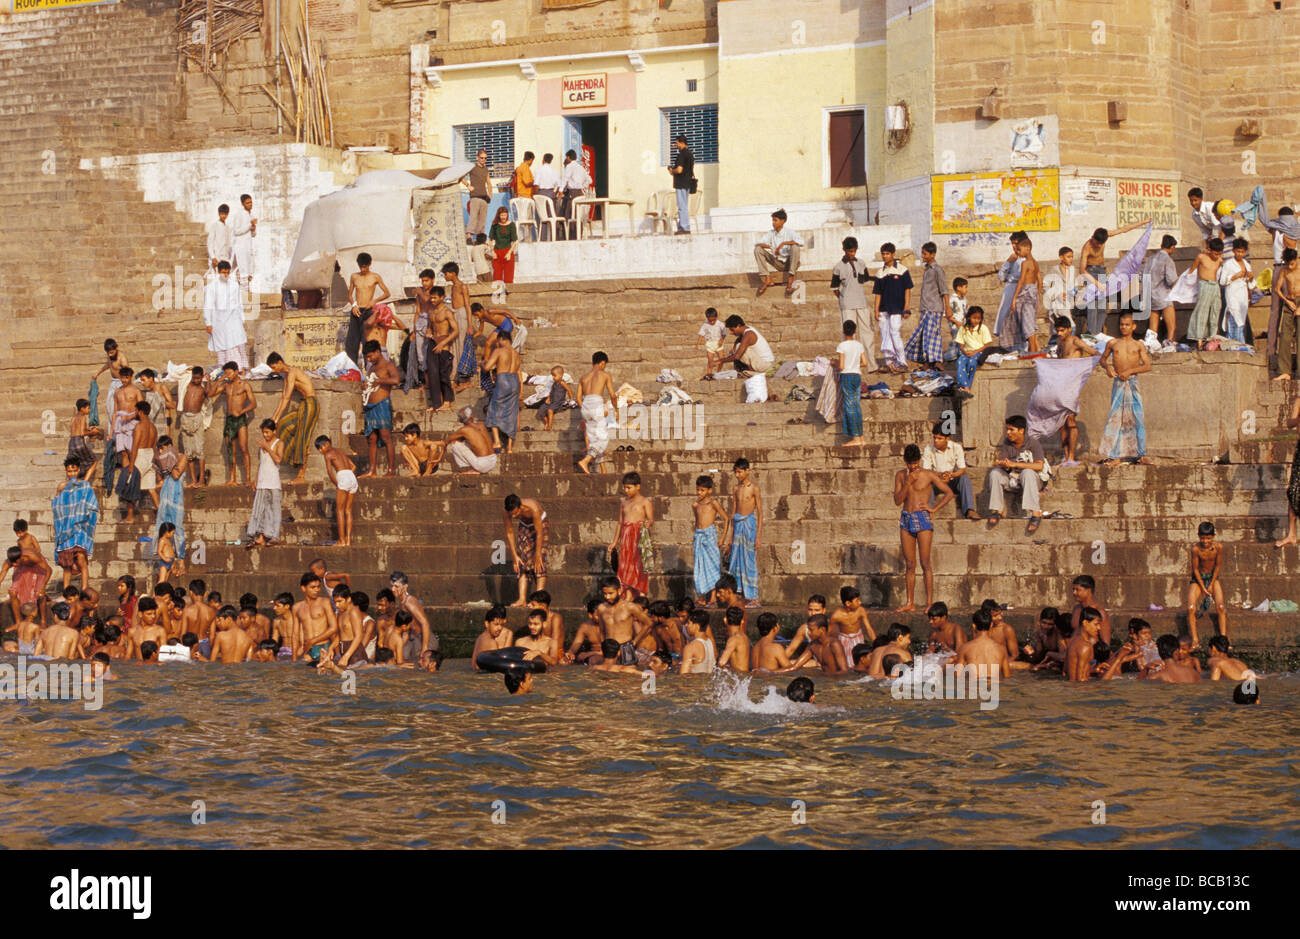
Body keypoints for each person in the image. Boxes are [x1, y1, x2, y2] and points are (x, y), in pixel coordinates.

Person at [894, 443, 952, 611]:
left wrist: (933, 508)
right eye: (909, 463)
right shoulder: (900, 475)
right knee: (910, 564)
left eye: (915, 463)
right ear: (905, 461)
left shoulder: (928, 475)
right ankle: (910, 603)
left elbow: (948, 493)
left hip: (922, 518)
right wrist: (907, 482)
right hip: (906, 518)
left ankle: (929, 603)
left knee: (925, 562)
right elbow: (898, 501)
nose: (912, 467)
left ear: (919, 460)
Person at [1096, 312, 1152, 466]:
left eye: (1127, 325)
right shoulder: (1113, 343)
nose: (1124, 327)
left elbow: (1147, 366)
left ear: (1133, 326)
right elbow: (1102, 360)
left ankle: (1140, 455)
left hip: (1133, 382)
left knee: (1137, 418)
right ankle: (1114, 456)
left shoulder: (1138, 345)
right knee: (1116, 418)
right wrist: (1108, 368)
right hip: (1118, 384)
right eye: (1121, 324)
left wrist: (1130, 371)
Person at [1077, 218, 1148, 335]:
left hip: (1101, 271)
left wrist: (1143, 222)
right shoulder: (1087, 247)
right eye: (1097, 243)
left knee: (1102, 306)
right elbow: (1082, 270)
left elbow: (1124, 229)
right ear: (1093, 238)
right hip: (1090, 273)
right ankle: (1091, 333)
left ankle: (1098, 333)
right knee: (1092, 305)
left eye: (1101, 244)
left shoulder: (1106, 234)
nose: (1099, 246)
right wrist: (1096, 283)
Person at [986, 415, 1046, 533]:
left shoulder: (1033, 443)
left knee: (1027, 472)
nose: (1008, 433)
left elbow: (1039, 465)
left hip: (1032, 481)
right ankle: (997, 511)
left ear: (1021, 430)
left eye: (1011, 430)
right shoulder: (1007, 443)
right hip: (1013, 479)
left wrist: (1015, 465)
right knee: (995, 473)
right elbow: (1005, 464)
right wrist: (1004, 464)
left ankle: (1035, 513)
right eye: (1007, 429)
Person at [266, 352, 317, 484]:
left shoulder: (293, 372)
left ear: (279, 362)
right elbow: (283, 398)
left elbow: (288, 398)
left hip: (311, 404)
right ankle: (301, 450)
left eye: (274, 367)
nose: (274, 370)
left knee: (302, 438)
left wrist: (275, 420)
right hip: (303, 405)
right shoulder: (286, 376)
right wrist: (274, 420)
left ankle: (301, 476)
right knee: (283, 425)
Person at [831, 236, 878, 371]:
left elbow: (865, 278)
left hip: (861, 302)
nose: (852, 254)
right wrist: (842, 299)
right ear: (844, 250)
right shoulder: (838, 267)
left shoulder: (861, 263)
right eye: (849, 251)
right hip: (847, 304)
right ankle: (851, 363)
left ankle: (871, 364)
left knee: (867, 332)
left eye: (854, 251)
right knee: (849, 334)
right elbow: (834, 287)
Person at [1264, 207, 1300, 380]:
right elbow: (1292, 245)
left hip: (1282, 271)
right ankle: (1278, 362)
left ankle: (1294, 369)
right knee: (1282, 325)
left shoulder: (1275, 230)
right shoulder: (1286, 234)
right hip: (1283, 273)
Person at [207, 360, 256, 487]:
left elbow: (253, 403)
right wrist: (219, 380)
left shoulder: (244, 385)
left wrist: (242, 411)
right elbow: (210, 394)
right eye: (226, 373)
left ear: (236, 371)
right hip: (229, 419)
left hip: (240, 420)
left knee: (244, 448)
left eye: (229, 373)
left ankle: (248, 479)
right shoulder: (226, 385)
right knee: (230, 450)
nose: (228, 375)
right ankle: (232, 479)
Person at [721, 457, 761, 606]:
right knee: (736, 561)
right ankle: (741, 595)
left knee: (749, 561)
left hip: (749, 526)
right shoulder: (735, 489)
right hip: (737, 525)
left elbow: (761, 514)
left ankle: (754, 596)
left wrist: (758, 536)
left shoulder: (754, 488)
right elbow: (733, 513)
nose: (737, 475)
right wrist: (730, 539)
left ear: (747, 471)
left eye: (739, 472)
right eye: (735, 472)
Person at [609, 472, 654, 598]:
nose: (626, 490)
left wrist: (647, 523)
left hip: (639, 538)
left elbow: (651, 519)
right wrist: (614, 542)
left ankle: (640, 595)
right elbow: (619, 523)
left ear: (638, 486)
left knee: (639, 566)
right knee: (625, 566)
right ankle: (628, 595)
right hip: (626, 539)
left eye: (629, 487)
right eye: (625, 487)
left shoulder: (645, 502)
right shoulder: (624, 503)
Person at [905, 242, 951, 365]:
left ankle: (936, 360)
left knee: (933, 335)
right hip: (925, 307)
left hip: (934, 308)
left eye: (925, 253)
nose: (922, 256)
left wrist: (948, 308)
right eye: (922, 253)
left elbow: (944, 290)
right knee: (925, 336)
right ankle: (927, 360)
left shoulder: (937, 270)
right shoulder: (927, 270)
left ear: (932, 254)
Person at [923, 422, 978, 520]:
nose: (936, 441)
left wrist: (952, 475)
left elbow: (962, 469)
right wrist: (939, 475)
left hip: (952, 480)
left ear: (947, 439)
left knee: (964, 478)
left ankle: (969, 510)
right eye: (934, 438)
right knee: (926, 482)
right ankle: (928, 512)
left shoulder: (956, 447)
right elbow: (926, 471)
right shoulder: (929, 449)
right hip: (936, 481)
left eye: (939, 438)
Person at [361, 340, 400, 477]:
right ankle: (372, 470)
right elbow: (368, 383)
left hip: (382, 405)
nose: (369, 359)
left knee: (385, 437)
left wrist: (379, 381)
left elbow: (396, 380)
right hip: (369, 407)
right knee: (371, 438)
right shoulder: (371, 368)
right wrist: (365, 386)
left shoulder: (388, 366)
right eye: (367, 357)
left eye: (370, 356)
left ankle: (391, 470)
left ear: (378, 352)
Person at [873, 242, 913, 373]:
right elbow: (878, 293)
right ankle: (890, 363)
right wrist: (876, 310)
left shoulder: (902, 270)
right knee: (885, 335)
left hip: (897, 308)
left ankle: (902, 362)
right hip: (884, 309)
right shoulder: (880, 273)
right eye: (883, 254)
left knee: (895, 333)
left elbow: (907, 289)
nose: (885, 256)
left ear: (893, 254)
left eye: (887, 254)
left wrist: (906, 307)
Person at [503, 494, 549, 605]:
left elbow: (539, 533)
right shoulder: (506, 511)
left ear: (521, 507)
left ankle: (538, 600)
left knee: (539, 562)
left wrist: (537, 555)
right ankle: (522, 599)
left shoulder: (533, 508)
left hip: (540, 524)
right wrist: (515, 557)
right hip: (524, 525)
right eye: (511, 514)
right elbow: (509, 533)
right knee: (522, 561)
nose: (513, 516)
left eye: (516, 513)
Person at [244, 419, 284, 547]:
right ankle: (259, 537)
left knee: (274, 510)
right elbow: (261, 464)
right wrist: (255, 481)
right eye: (263, 433)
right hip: (262, 481)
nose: (265, 435)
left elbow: (278, 460)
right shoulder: (262, 446)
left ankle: (274, 536)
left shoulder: (279, 443)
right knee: (259, 510)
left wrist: (267, 447)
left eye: (267, 432)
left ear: (274, 431)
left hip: (273, 482)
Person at [347, 253, 392, 366]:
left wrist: (374, 301)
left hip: (368, 312)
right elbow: (350, 295)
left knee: (367, 341)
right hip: (356, 311)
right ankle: (353, 370)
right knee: (352, 342)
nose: (363, 269)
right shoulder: (354, 276)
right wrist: (353, 305)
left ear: (369, 264)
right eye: (361, 266)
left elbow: (387, 293)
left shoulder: (375, 277)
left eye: (365, 266)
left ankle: (370, 370)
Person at [1187, 521, 1227, 647]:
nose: (1205, 541)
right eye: (1202, 538)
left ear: (1213, 537)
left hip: (1213, 578)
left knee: (1220, 607)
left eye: (1208, 538)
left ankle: (1223, 639)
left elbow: (1218, 566)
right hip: (1198, 579)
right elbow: (1195, 569)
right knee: (1191, 608)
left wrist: (1211, 583)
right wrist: (1203, 587)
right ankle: (1194, 640)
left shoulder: (1218, 547)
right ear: (1199, 536)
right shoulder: (1195, 549)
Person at [203, 261, 248, 371]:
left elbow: (239, 303)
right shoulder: (212, 287)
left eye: (228, 272)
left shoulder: (234, 285)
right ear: (218, 272)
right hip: (220, 322)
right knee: (224, 346)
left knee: (238, 344)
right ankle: (226, 370)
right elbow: (208, 305)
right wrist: (208, 323)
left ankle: (241, 369)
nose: (226, 275)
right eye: (223, 273)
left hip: (234, 319)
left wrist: (242, 319)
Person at [482, 331, 522, 454]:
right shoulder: (516, 354)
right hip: (515, 381)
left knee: (493, 409)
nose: (497, 344)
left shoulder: (499, 351)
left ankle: (497, 442)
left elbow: (487, 367)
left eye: (497, 342)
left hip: (503, 380)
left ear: (501, 339)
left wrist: (482, 363)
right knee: (512, 412)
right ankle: (509, 447)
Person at [314, 435, 357, 547]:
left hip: (342, 476)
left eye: (320, 448)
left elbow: (329, 472)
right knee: (348, 510)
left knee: (339, 511)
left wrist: (338, 484)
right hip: (352, 477)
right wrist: (348, 476)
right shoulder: (340, 451)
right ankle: (348, 540)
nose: (320, 451)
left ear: (326, 444)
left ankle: (341, 540)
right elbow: (353, 466)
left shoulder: (328, 454)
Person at [577, 352, 615, 475]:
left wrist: (585, 408)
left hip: (585, 406)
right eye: (604, 365)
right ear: (602, 363)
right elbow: (613, 395)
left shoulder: (583, 378)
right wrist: (615, 409)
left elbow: (578, 398)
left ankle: (603, 469)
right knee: (603, 439)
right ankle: (586, 461)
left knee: (595, 440)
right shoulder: (605, 375)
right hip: (597, 404)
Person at [152, 436, 187, 569]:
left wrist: (170, 460)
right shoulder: (163, 462)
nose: (161, 452)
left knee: (177, 527)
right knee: (164, 527)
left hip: (176, 495)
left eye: (164, 448)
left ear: (171, 446)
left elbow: (176, 475)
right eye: (159, 449)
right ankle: (169, 561)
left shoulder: (182, 457)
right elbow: (161, 480)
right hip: (166, 495)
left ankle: (181, 560)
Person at [119, 400, 157, 524]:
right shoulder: (153, 426)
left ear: (140, 412)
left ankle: (130, 517)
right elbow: (154, 446)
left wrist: (131, 465)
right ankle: (162, 514)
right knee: (151, 488)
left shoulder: (139, 426)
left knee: (131, 484)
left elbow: (134, 447)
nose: (135, 413)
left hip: (140, 455)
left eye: (136, 411)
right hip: (150, 455)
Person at [423, 285, 459, 413]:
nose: (432, 300)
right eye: (431, 298)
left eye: (434, 298)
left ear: (442, 298)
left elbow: (456, 331)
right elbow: (429, 327)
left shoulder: (447, 312)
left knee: (444, 374)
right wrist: (428, 333)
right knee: (432, 374)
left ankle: (447, 402)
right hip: (433, 342)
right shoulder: (431, 312)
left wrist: (443, 344)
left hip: (444, 343)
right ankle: (436, 403)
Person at [1139, 234, 1180, 348]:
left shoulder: (1150, 259)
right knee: (1171, 326)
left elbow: (1140, 276)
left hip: (1148, 295)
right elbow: (1172, 280)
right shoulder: (1167, 260)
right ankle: (1170, 342)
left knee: (1153, 326)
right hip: (1163, 295)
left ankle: (1151, 344)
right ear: (1172, 247)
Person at [754, 209, 804, 296]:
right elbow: (757, 243)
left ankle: (790, 280)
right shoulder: (771, 233)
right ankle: (767, 278)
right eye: (772, 220)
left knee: (795, 247)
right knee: (758, 249)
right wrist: (771, 247)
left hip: (791, 263)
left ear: (782, 221)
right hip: (778, 263)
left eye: (775, 220)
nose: (773, 223)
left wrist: (783, 243)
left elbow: (801, 242)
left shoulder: (789, 232)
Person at [691, 474, 724, 605]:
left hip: (710, 536)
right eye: (698, 489)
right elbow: (696, 521)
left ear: (709, 490)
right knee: (699, 568)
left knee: (713, 567)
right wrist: (695, 537)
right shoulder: (695, 505)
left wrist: (722, 538)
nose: (699, 492)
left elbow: (726, 518)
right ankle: (701, 598)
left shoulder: (714, 503)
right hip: (699, 536)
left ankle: (713, 598)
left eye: (702, 490)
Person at [1187, 238, 1225, 349]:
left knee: (1215, 311)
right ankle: (1198, 338)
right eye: (1215, 253)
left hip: (1215, 286)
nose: (1217, 255)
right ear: (1209, 250)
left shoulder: (1220, 260)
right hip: (1204, 285)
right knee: (1202, 311)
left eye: (1219, 253)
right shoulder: (1201, 257)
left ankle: (1212, 338)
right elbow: (1191, 271)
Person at [1006, 237, 1042, 352]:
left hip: (1026, 294)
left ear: (1028, 248)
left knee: (1028, 326)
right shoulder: (1035, 263)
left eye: (1020, 250)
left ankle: (1032, 352)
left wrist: (1014, 298)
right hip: (1033, 293)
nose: (1019, 253)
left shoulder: (1025, 263)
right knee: (1031, 323)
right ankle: (1036, 350)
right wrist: (1037, 296)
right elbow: (1040, 282)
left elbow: (1021, 281)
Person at [835, 320, 867, 448]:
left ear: (843, 331)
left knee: (849, 407)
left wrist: (833, 363)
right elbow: (864, 363)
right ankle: (861, 437)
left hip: (847, 376)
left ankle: (855, 437)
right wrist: (854, 365)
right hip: (857, 375)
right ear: (854, 331)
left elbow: (841, 366)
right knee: (856, 406)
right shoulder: (859, 345)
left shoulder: (842, 346)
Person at [953, 305, 996, 397]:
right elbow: (960, 345)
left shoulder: (983, 328)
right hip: (967, 352)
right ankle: (964, 387)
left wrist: (975, 352)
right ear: (969, 317)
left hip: (979, 352)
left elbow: (987, 344)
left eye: (979, 318)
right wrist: (964, 352)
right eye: (974, 318)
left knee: (972, 363)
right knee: (960, 362)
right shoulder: (963, 329)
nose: (976, 320)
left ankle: (966, 387)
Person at [1217, 237, 1253, 343]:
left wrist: (1250, 278)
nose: (1240, 254)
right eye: (1238, 251)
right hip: (1232, 294)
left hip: (1243, 296)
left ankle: (1239, 344)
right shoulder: (1228, 264)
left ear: (1245, 252)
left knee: (1241, 321)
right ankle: (1233, 344)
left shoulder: (1246, 264)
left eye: (1242, 252)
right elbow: (1222, 281)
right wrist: (1234, 277)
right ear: (1233, 251)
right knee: (1233, 318)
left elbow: (1250, 284)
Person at [444, 406, 499, 475]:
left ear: (460, 420)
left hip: (482, 465)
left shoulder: (464, 430)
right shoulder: (481, 424)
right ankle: (476, 468)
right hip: (493, 460)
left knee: (454, 444)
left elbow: (447, 440)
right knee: (469, 440)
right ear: (472, 416)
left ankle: (468, 468)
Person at [829, 586, 875, 662]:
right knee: (845, 663)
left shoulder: (860, 610)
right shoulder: (836, 615)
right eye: (857, 601)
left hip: (858, 638)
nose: (860, 602)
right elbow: (828, 633)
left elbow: (869, 629)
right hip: (844, 640)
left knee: (861, 662)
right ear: (848, 603)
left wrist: (877, 644)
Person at [179, 366, 208, 487]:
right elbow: (177, 373)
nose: (196, 380)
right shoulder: (187, 384)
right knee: (188, 452)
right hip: (185, 418)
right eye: (194, 378)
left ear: (202, 377)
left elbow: (210, 393)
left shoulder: (203, 389)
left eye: (198, 378)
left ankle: (201, 479)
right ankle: (193, 480)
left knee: (199, 450)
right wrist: (188, 368)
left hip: (196, 418)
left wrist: (209, 380)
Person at [994, 231, 1026, 337]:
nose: (1014, 246)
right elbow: (1001, 277)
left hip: (1020, 290)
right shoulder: (1012, 259)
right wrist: (1008, 262)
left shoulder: (1026, 260)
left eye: (1016, 243)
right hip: (1009, 290)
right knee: (1005, 317)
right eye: (1012, 243)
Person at [1274, 248, 1300, 381]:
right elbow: (1277, 289)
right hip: (1289, 302)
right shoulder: (1284, 270)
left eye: (1292, 264)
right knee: (1284, 336)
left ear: (1296, 259)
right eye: (1288, 264)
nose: (1290, 266)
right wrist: (1287, 301)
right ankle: (1285, 371)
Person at [66, 397, 101, 483]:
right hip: (79, 442)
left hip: (71, 443)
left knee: (74, 464)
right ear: (82, 408)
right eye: (88, 408)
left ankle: (72, 483)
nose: (89, 410)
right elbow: (82, 433)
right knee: (94, 461)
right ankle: (84, 483)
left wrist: (88, 429)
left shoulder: (73, 418)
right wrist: (93, 432)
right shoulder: (83, 417)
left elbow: (76, 430)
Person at [1069, 575, 1112, 645]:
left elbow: (1106, 644)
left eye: (1077, 590)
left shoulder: (1100, 612)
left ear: (1088, 591)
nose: (1074, 593)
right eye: (1073, 589)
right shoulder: (1076, 609)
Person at [1064, 607, 1103, 681]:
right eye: (1096, 624)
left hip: (1071, 688)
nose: (1099, 628)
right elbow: (1081, 680)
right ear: (1085, 623)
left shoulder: (1072, 641)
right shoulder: (1085, 646)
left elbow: (1065, 671)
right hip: (1080, 690)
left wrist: (1094, 670)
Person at [228, 193, 257, 294]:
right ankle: (243, 293)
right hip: (240, 246)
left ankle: (245, 291)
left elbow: (253, 234)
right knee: (243, 268)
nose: (250, 204)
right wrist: (249, 225)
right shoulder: (239, 214)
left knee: (250, 269)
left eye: (250, 202)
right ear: (243, 204)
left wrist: (253, 228)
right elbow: (236, 231)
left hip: (249, 246)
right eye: (247, 203)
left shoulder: (252, 215)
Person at [463, 148, 492, 244]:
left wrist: (490, 194)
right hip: (475, 196)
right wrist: (468, 186)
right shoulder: (472, 167)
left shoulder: (486, 169)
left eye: (485, 158)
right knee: (473, 217)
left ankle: (480, 239)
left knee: (482, 219)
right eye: (481, 158)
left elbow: (489, 183)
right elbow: (461, 177)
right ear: (477, 157)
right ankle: (468, 237)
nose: (483, 160)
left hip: (484, 197)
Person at [560, 149, 590, 239]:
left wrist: (561, 190)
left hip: (572, 193)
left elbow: (565, 178)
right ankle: (578, 235)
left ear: (568, 158)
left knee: (569, 213)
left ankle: (570, 236)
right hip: (580, 192)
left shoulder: (570, 166)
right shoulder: (581, 167)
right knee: (578, 214)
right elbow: (589, 180)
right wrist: (582, 185)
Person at [669, 133, 695, 234]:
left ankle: (684, 227)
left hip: (681, 183)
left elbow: (679, 170)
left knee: (681, 206)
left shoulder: (682, 154)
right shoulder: (690, 154)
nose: (676, 145)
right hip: (688, 183)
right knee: (684, 205)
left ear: (682, 142)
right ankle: (682, 226)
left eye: (677, 143)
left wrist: (672, 170)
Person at [532, 152, 561, 240]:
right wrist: (554, 194)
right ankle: (553, 238)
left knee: (541, 217)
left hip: (541, 194)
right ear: (551, 161)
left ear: (543, 160)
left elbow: (536, 184)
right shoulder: (554, 171)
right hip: (551, 194)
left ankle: (542, 238)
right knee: (552, 216)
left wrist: (535, 196)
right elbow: (559, 185)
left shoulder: (538, 170)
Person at [488, 206, 518, 284]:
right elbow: (490, 239)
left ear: (507, 215)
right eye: (501, 215)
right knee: (497, 277)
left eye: (505, 215)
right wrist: (492, 252)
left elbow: (515, 241)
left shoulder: (511, 225)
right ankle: (498, 294)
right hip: (497, 252)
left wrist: (509, 253)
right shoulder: (495, 225)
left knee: (509, 277)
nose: (503, 217)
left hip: (508, 251)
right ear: (499, 215)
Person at [537, 365, 572, 431]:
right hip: (552, 401)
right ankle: (547, 422)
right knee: (541, 411)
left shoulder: (562, 383)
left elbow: (569, 390)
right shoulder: (554, 383)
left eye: (554, 376)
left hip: (558, 402)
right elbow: (551, 392)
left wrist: (571, 399)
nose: (553, 377)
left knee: (550, 410)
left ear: (561, 375)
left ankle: (549, 426)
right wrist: (548, 398)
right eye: (552, 375)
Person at [696, 307, 728, 379]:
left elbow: (724, 333)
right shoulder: (705, 325)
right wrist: (697, 344)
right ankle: (709, 374)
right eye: (710, 321)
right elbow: (701, 334)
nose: (712, 322)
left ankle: (718, 372)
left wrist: (721, 340)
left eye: (713, 320)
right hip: (710, 343)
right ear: (707, 318)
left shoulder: (720, 324)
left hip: (718, 343)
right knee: (710, 360)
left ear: (716, 317)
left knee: (721, 359)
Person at [206, 202, 233, 272]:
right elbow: (210, 243)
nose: (224, 216)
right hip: (216, 258)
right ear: (219, 214)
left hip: (225, 257)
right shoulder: (214, 226)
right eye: (222, 214)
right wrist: (213, 257)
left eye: (225, 214)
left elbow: (228, 244)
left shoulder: (228, 228)